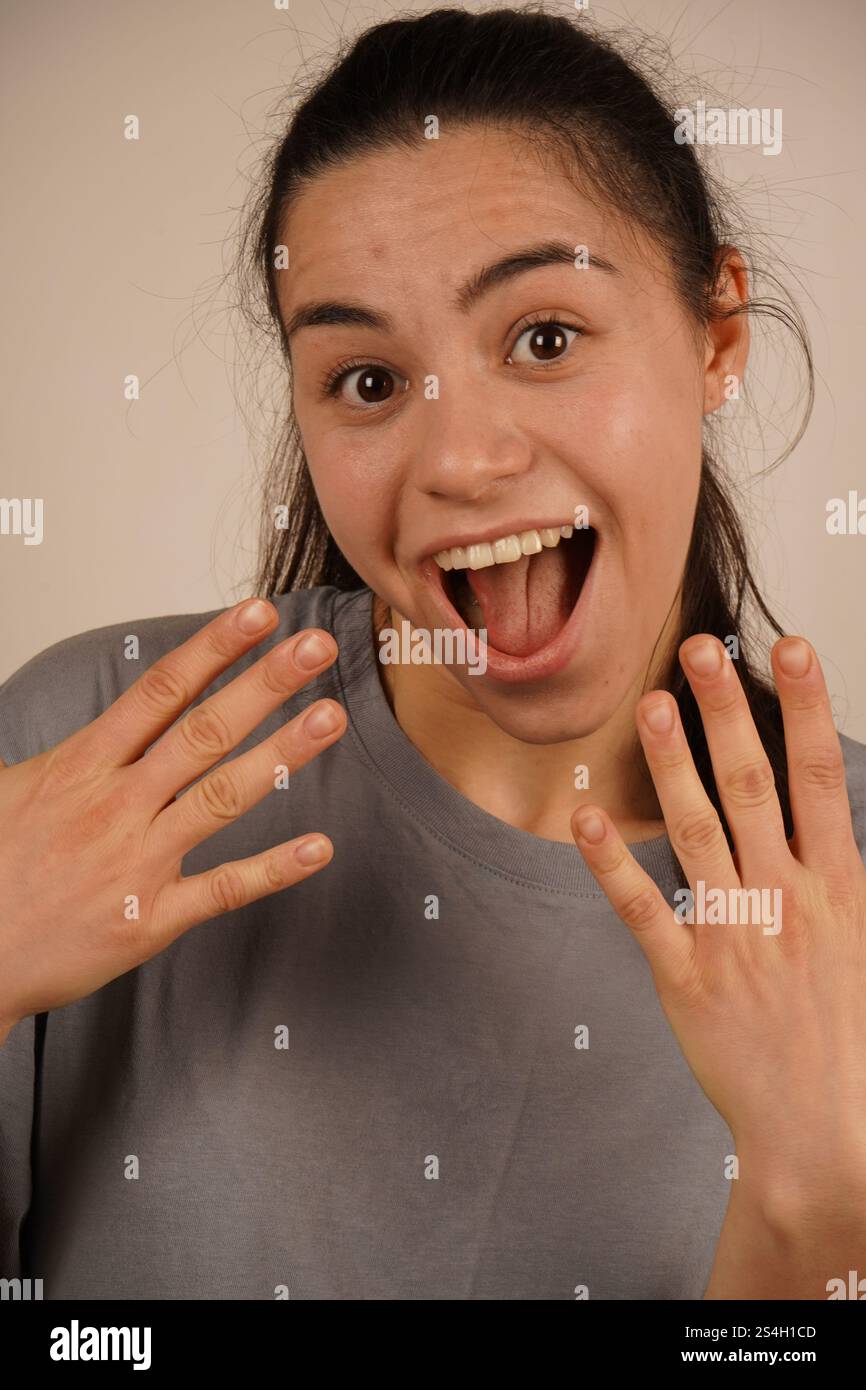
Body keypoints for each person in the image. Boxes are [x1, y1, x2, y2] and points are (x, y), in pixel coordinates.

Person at [1, 6, 864, 1301]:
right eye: (365, 380)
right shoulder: (87, 741)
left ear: (715, 338)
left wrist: (809, 1232)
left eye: (544, 338)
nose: (460, 460)